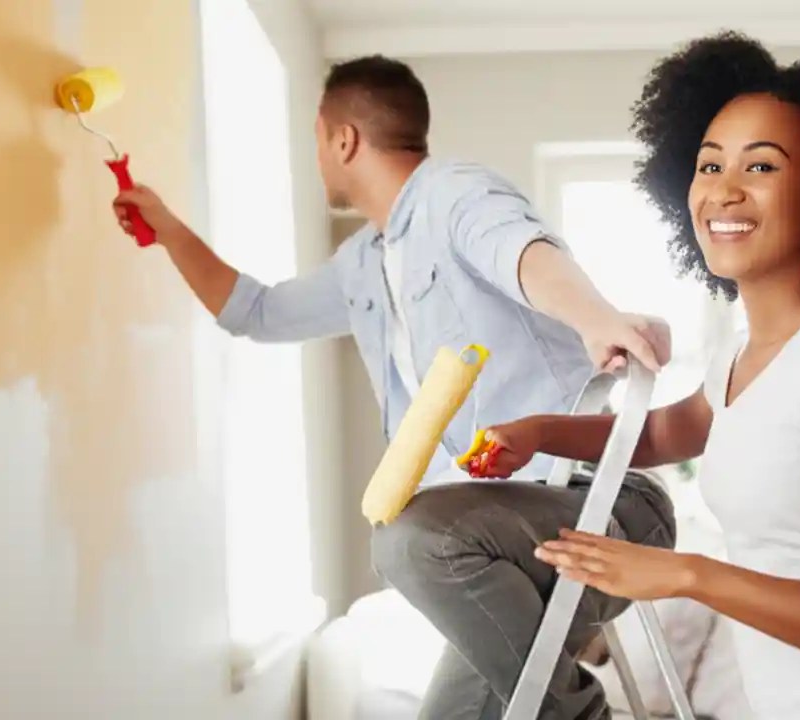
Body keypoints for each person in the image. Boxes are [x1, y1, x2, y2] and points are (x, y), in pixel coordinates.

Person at [111, 55, 676, 719]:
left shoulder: (455, 193)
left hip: (597, 502)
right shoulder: (364, 262)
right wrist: (168, 231)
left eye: (316, 138)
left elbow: (522, 253)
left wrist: (595, 319)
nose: (315, 155)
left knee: (406, 539)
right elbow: (256, 313)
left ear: (342, 138)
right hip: (499, 542)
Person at [474, 33, 800, 719]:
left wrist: (689, 576)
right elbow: (660, 434)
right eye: (709, 165)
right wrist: (538, 432)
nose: (724, 191)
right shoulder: (747, 354)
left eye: (762, 167)